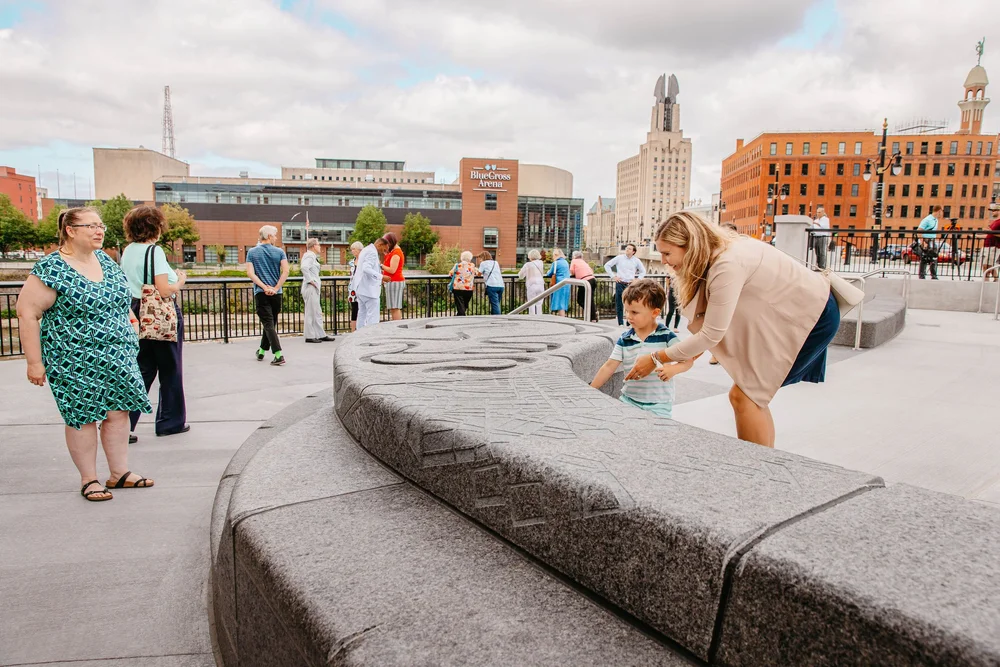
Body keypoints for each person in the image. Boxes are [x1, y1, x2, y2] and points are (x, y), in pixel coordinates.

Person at [625, 212, 840, 448]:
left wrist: (655, 357)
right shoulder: (724, 251)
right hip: (804, 312)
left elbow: (710, 335)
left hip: (813, 319)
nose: (664, 260)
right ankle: (765, 463)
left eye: (668, 253)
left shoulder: (726, 266)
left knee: (745, 397)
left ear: (691, 246)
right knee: (749, 396)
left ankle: (757, 469)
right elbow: (710, 330)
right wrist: (683, 359)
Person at [15, 207, 154, 501]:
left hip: (118, 353)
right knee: (83, 416)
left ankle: (119, 473)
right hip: (73, 357)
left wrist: (129, 316)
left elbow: (118, 297)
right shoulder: (52, 268)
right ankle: (89, 479)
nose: (99, 230)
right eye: (91, 226)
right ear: (70, 230)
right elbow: (27, 313)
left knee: (119, 412)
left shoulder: (104, 260)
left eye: (100, 225)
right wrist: (34, 362)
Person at [119, 205, 189, 440]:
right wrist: (180, 281)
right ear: (155, 227)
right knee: (170, 368)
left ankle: (124, 425)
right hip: (159, 314)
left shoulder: (128, 251)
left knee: (142, 369)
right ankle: (170, 422)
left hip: (135, 311)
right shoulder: (154, 252)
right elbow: (163, 289)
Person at [590, 279, 691, 418]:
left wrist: (673, 369)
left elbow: (688, 360)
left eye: (634, 312)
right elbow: (609, 366)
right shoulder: (625, 339)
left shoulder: (667, 336)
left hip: (659, 404)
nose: (628, 316)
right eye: (627, 311)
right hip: (628, 400)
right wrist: (591, 390)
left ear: (655, 312)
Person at [246, 225, 290, 365]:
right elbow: (286, 271)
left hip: (261, 293)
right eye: (275, 235)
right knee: (270, 324)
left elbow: (250, 273)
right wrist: (276, 288)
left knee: (268, 324)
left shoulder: (252, 252)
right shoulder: (280, 252)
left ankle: (278, 354)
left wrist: (264, 287)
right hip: (276, 294)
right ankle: (261, 351)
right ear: (269, 236)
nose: (276, 238)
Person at [350, 237, 389, 328]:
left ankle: (360, 335)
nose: (384, 252)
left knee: (362, 314)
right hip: (370, 291)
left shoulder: (366, 249)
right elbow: (366, 268)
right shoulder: (372, 252)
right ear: (380, 245)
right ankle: (371, 336)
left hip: (361, 288)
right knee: (373, 317)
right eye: (384, 249)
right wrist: (381, 277)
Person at [604, 243, 646, 325]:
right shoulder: (619, 258)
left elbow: (643, 271)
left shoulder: (636, 260)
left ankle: (629, 322)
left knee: (631, 303)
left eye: (629, 249)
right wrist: (613, 276)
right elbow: (607, 265)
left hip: (630, 285)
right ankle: (620, 323)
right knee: (619, 303)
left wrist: (637, 279)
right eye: (626, 248)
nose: (627, 249)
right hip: (620, 283)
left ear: (633, 252)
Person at [300, 238, 333, 343]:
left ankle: (320, 334)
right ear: (314, 246)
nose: (320, 247)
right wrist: (310, 280)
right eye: (318, 245)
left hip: (313, 287)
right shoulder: (309, 255)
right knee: (311, 312)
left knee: (317, 312)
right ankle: (309, 336)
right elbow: (304, 268)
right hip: (310, 288)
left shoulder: (312, 256)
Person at [381, 233, 405, 321]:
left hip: (395, 282)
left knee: (395, 307)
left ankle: (396, 327)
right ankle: (396, 326)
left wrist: (381, 266)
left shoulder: (396, 253)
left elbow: (392, 270)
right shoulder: (393, 252)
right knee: (393, 307)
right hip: (392, 282)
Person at [570, 250, 598, 322]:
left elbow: (572, 271)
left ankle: (593, 316)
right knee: (590, 299)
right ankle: (593, 314)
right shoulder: (583, 262)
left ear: (574, 256)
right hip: (592, 280)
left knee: (580, 300)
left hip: (585, 281)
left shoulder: (574, 261)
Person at [449, 251, 479, 316]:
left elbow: (451, 274)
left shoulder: (457, 265)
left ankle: (461, 317)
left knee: (460, 304)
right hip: (469, 288)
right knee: (465, 304)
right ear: (470, 258)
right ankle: (460, 315)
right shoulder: (472, 266)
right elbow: (477, 273)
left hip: (458, 287)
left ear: (462, 257)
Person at [917, 205, 942, 280]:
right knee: (924, 258)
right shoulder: (927, 219)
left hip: (932, 240)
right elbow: (919, 230)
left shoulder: (936, 220)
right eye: (941, 211)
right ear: (939, 211)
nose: (942, 213)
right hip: (926, 240)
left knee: (934, 257)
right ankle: (922, 275)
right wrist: (922, 242)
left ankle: (933, 275)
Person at [518, 249, 545, 316]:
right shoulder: (541, 263)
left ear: (530, 256)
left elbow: (520, 276)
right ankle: (539, 317)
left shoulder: (528, 265)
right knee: (539, 303)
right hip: (541, 284)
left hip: (532, 284)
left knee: (531, 302)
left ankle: (532, 317)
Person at [546, 248, 571, 316]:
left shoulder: (556, 263)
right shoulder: (566, 262)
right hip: (567, 283)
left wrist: (547, 272)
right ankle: (562, 316)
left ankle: (559, 318)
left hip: (559, 284)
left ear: (555, 255)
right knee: (563, 301)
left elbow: (550, 273)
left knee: (557, 301)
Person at [478, 250, 504, 315]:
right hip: (501, 285)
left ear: (483, 257)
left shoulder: (483, 263)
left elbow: (479, 274)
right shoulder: (496, 262)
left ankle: (497, 318)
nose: (480, 260)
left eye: (480, 258)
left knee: (495, 304)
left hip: (492, 285)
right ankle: (493, 317)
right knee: (496, 303)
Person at [347, 241, 363, 331]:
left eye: (354, 249)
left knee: (362, 308)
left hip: (361, 287)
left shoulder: (364, 261)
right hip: (352, 289)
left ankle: (361, 328)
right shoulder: (351, 262)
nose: (352, 251)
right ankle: (353, 330)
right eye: (351, 249)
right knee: (354, 308)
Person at [810, 206, 831, 270]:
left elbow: (823, 226)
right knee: (817, 252)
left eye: (819, 212)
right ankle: (818, 265)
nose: (817, 214)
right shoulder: (816, 220)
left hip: (822, 236)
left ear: (822, 212)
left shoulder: (825, 219)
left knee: (822, 252)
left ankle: (822, 266)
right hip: (816, 236)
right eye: (817, 212)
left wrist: (814, 222)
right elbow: (812, 227)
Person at [983, 211, 1000, 281]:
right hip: (987, 246)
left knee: (987, 265)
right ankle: (994, 280)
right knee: (987, 265)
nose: (992, 212)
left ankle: (988, 281)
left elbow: (992, 233)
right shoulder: (995, 222)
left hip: (994, 246)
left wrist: (991, 232)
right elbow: (989, 234)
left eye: (994, 210)